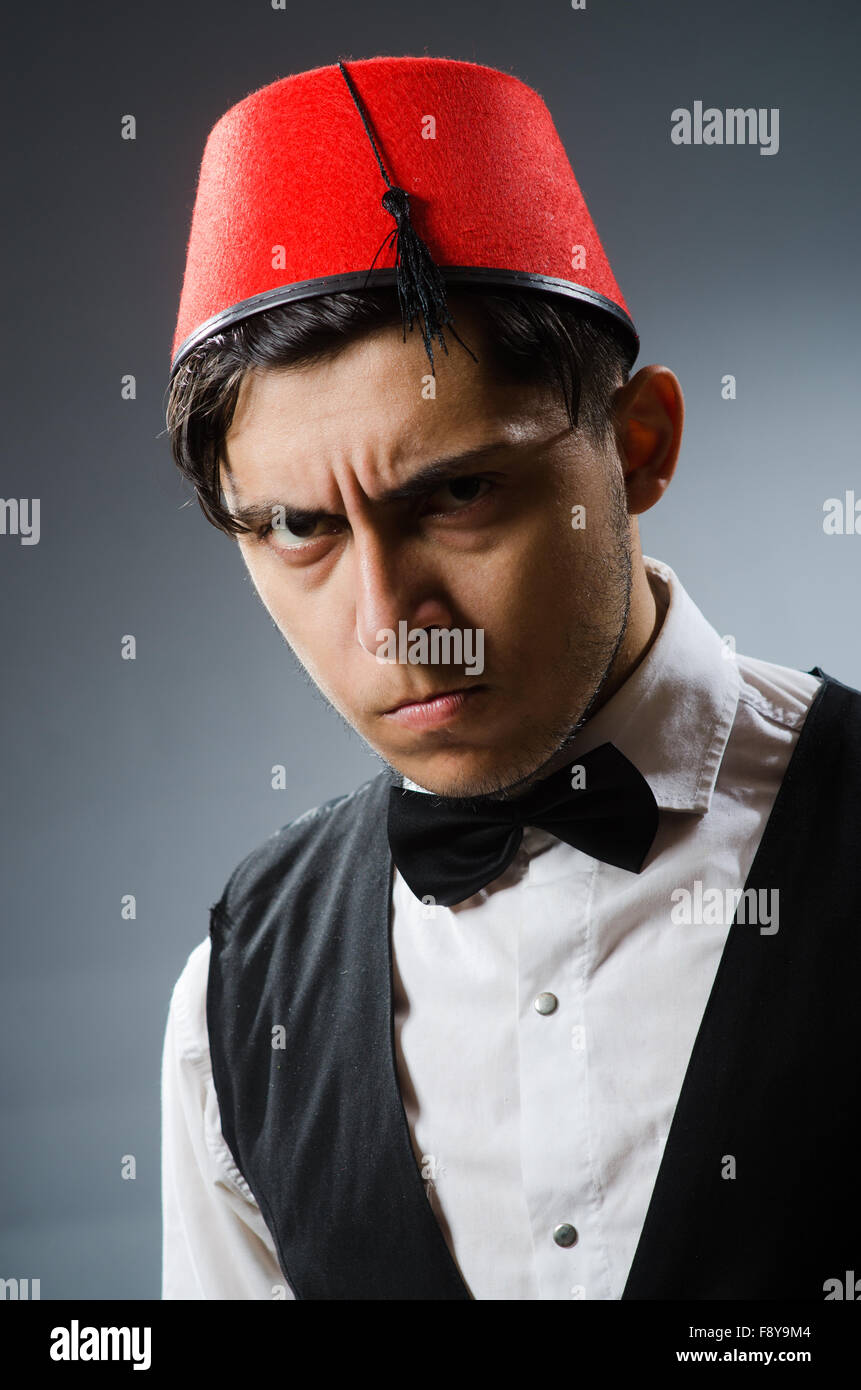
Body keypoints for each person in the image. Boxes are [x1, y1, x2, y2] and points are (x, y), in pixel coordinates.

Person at [160, 55, 861, 1301]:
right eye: (299, 530)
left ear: (639, 447)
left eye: (458, 492)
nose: (392, 623)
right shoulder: (232, 1000)